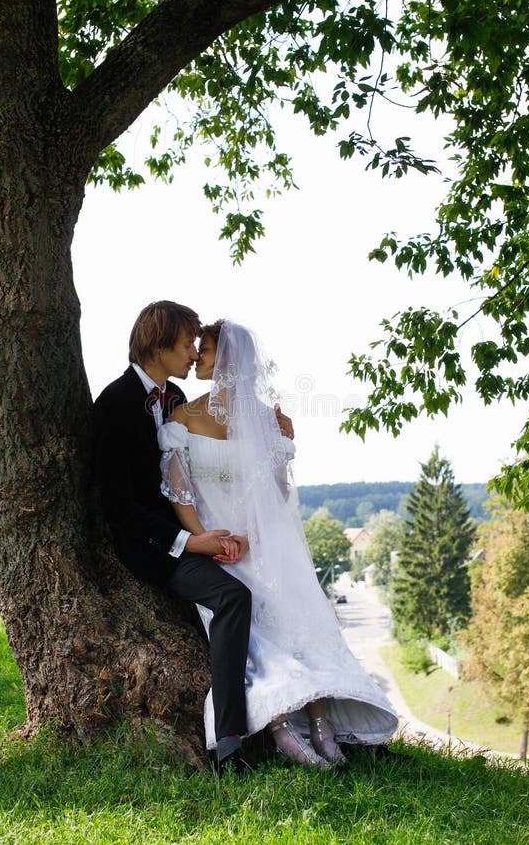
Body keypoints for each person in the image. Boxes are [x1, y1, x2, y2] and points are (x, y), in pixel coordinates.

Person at [158, 320, 399, 769]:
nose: (196, 358)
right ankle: (282, 725)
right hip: (215, 547)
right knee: (253, 623)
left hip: (258, 540)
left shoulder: (267, 419)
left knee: (294, 610)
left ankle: (323, 725)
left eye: (204, 351)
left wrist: (251, 536)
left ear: (228, 360)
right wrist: (207, 541)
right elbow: (180, 492)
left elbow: (276, 491)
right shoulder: (182, 418)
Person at [92, 301, 292, 775]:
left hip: (200, 533)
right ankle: (229, 745)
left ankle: (317, 722)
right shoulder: (114, 406)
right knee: (233, 597)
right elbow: (118, 510)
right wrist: (189, 542)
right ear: (158, 346)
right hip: (154, 548)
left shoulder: (176, 396)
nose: (193, 354)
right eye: (186, 344)